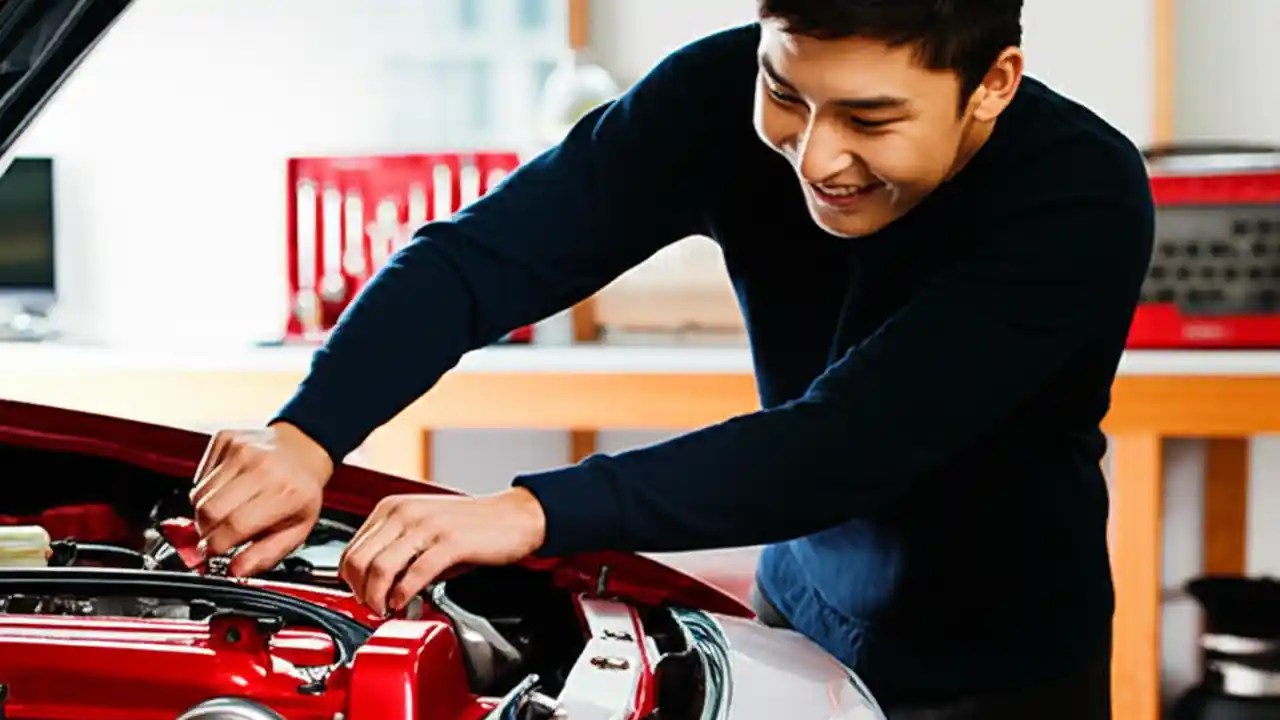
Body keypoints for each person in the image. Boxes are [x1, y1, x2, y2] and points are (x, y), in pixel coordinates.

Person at [189, 1, 1152, 717]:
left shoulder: (1078, 197)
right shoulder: (714, 96)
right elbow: (487, 256)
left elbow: (844, 446)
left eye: (870, 120)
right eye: (788, 95)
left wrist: (532, 511)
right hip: (799, 608)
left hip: (998, 659)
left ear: (993, 83)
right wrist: (310, 433)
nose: (815, 158)